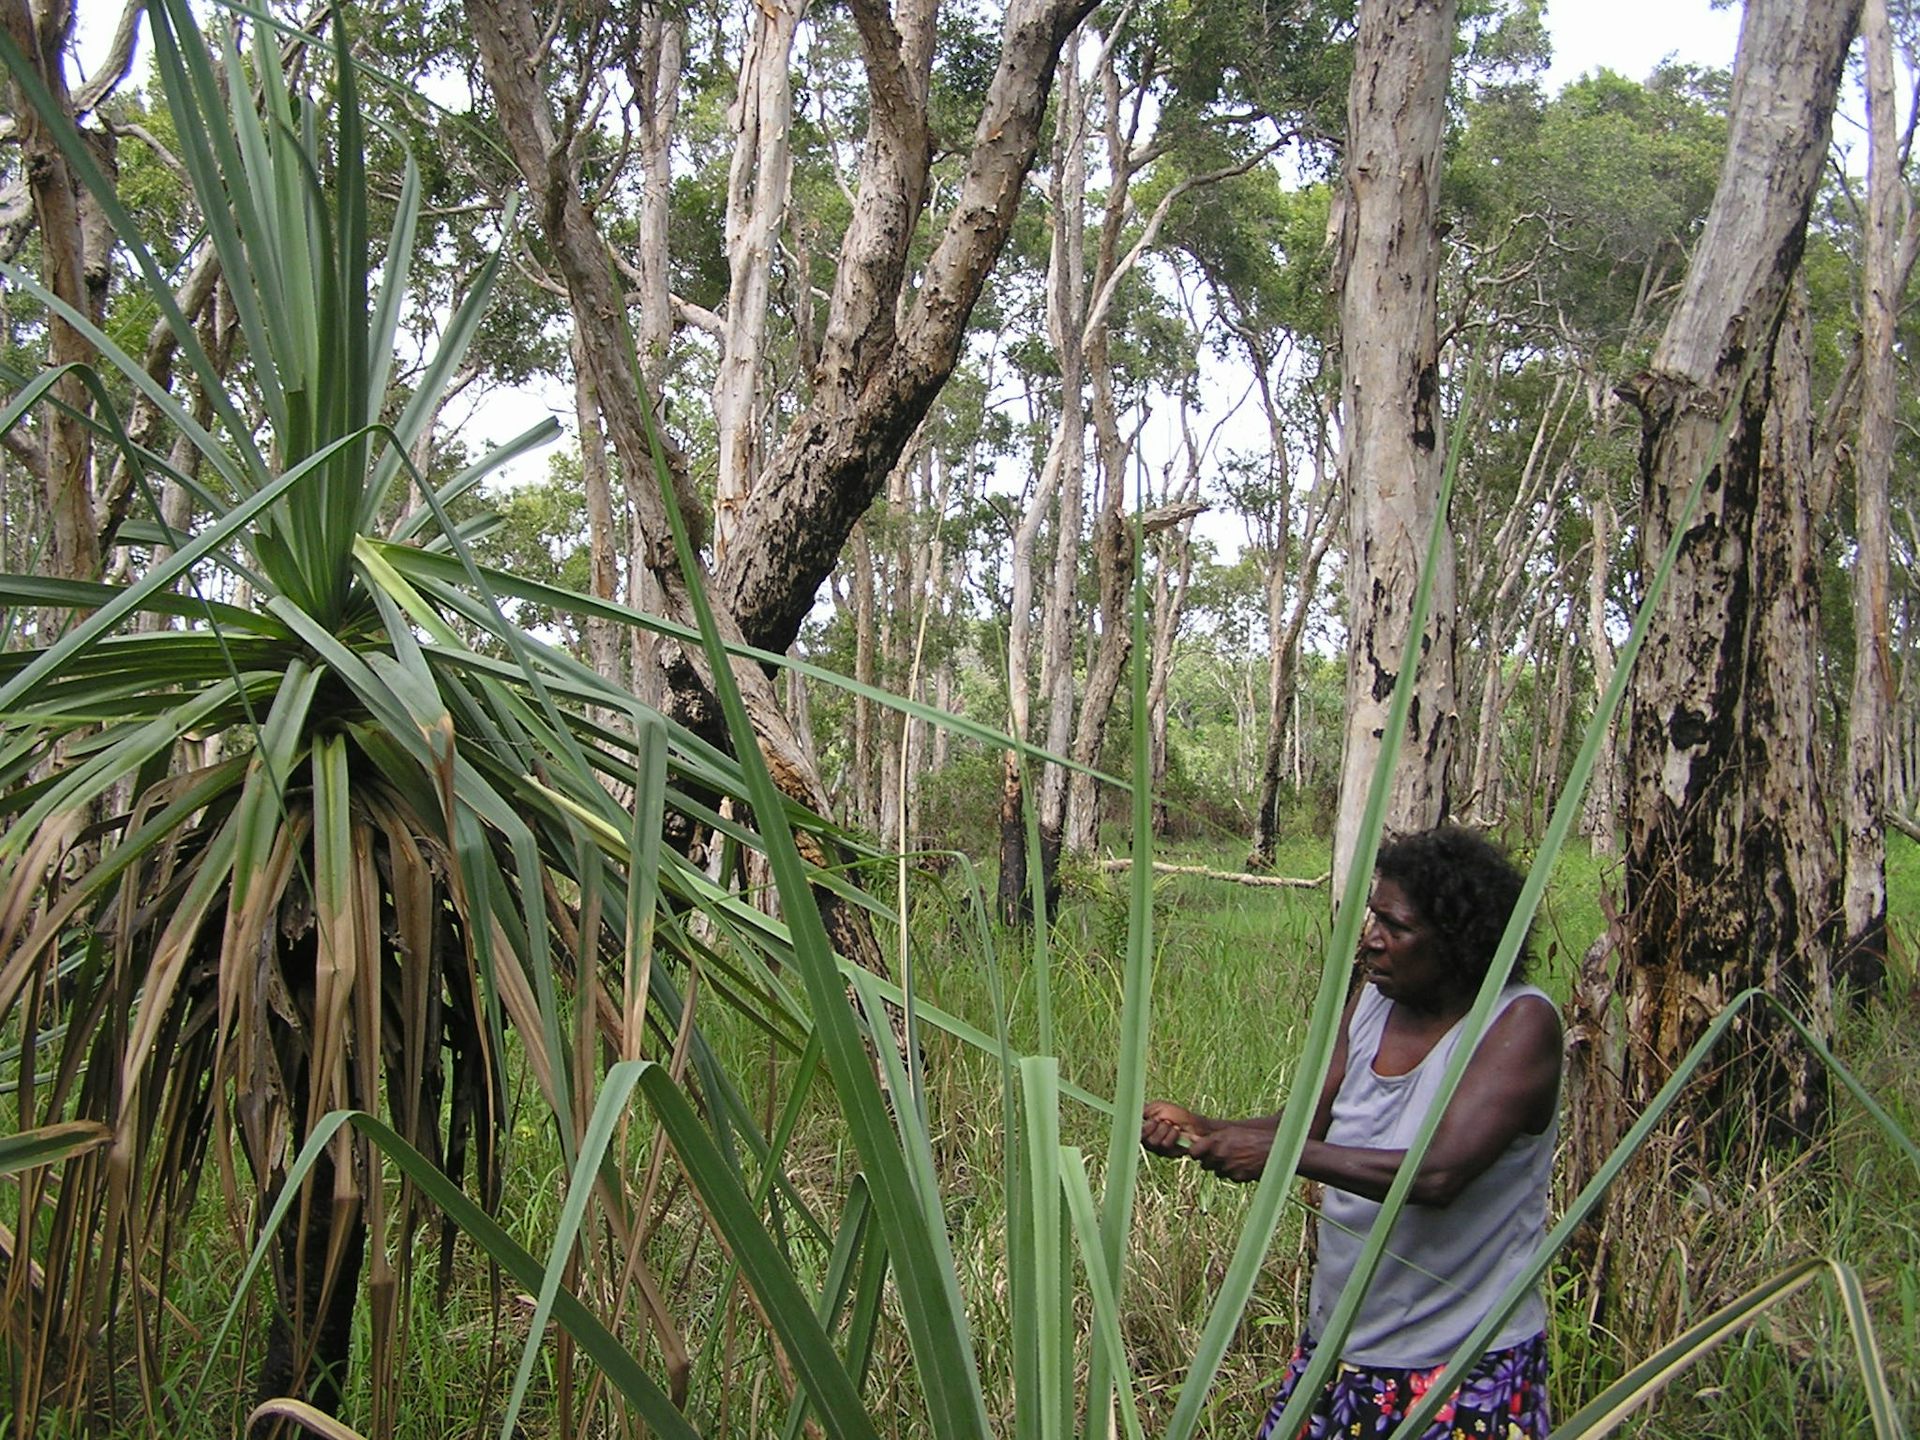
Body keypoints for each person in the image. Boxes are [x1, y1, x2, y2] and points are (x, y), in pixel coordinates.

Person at [1142, 826, 1562, 1440]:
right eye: (1373, 918)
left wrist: (1282, 1157)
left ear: (1459, 941)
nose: (1371, 941)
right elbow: (1311, 1126)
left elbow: (1438, 1173)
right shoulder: (1373, 1002)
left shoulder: (1519, 1024)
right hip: (1342, 1347)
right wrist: (1208, 1127)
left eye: (1396, 927)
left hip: (1461, 1363)